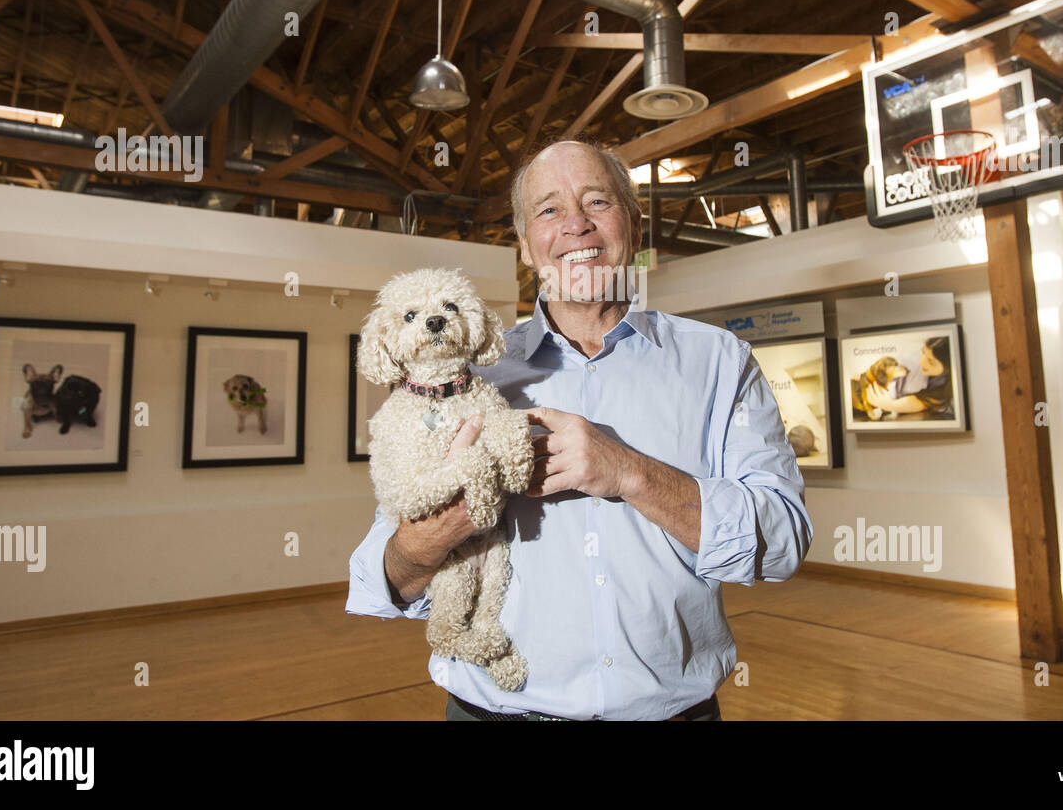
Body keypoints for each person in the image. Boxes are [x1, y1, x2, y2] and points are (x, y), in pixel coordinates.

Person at [346, 139, 812, 721]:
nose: (575, 225)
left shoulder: (720, 362)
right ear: (523, 242)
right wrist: (435, 533)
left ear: (634, 225)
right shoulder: (470, 373)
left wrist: (630, 472)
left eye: (597, 200)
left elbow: (784, 543)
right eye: (548, 210)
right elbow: (383, 576)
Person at [866, 337, 953, 419]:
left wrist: (890, 405)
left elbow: (925, 401)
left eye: (931, 362)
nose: (921, 362)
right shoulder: (909, 355)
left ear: (948, 368)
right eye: (923, 352)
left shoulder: (947, 386)